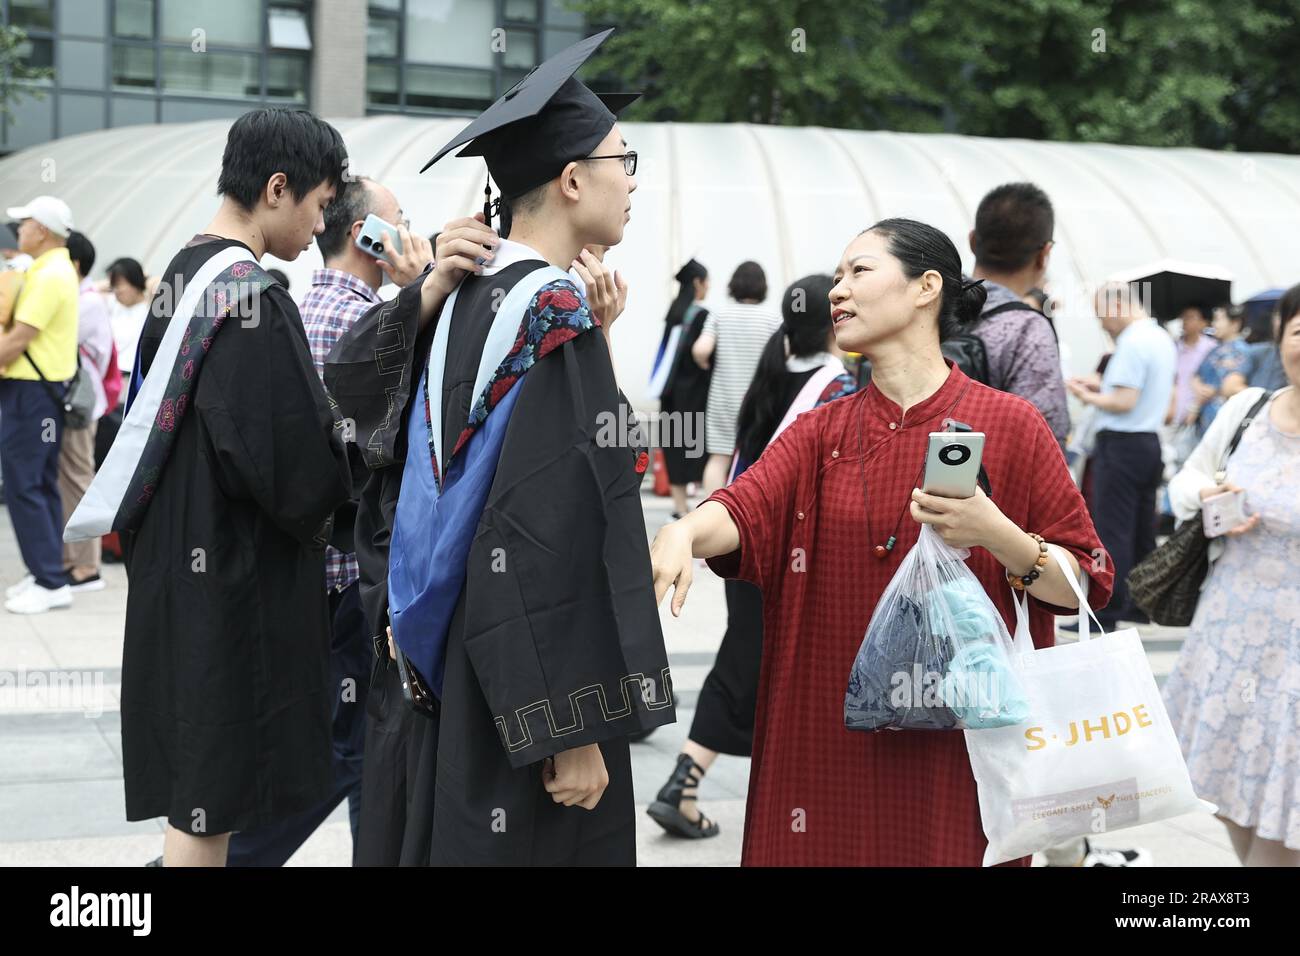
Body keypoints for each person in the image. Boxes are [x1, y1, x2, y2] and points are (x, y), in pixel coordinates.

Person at [650, 220, 1111, 866]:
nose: (837, 291)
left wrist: (997, 534)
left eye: (858, 272)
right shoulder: (819, 432)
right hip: (826, 746)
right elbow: (744, 508)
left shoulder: (1012, 426)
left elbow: (1081, 580)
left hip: (957, 759)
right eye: (836, 276)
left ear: (927, 287)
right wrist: (683, 530)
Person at [325, 29, 674, 866]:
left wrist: (429, 289)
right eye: (625, 161)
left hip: (444, 655)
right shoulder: (551, 311)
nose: (632, 183)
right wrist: (573, 726)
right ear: (572, 178)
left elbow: (353, 401)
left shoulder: (464, 295)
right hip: (520, 691)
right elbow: (555, 522)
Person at [64, 108, 353, 867]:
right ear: (277, 187)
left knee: (201, 796)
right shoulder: (254, 296)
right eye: (321, 206)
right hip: (233, 582)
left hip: (180, 562)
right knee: (210, 807)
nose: (322, 226)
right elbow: (296, 474)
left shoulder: (185, 274)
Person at [224, 177, 433, 867]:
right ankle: (220, 857)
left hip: (309, 574)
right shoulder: (367, 324)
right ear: (368, 236)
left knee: (361, 747)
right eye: (399, 222)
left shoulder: (308, 308)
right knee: (351, 751)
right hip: (352, 581)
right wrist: (424, 289)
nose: (410, 231)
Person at [648, 273, 856, 840]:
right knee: (764, 666)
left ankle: (688, 783)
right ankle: (686, 783)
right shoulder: (836, 388)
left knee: (748, 659)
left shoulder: (774, 375)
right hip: (792, 554)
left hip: (743, 543)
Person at [1162, 282, 1300, 866]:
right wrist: (1209, 492)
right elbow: (1184, 482)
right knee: (1226, 797)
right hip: (1227, 634)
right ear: (1279, 336)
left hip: (1292, 657)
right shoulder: (1247, 410)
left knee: (1280, 816)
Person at [1066, 283, 1176, 629]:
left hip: (1122, 443)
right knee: (1142, 530)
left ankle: (1105, 610)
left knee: (1111, 530)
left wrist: (1085, 395)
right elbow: (1139, 394)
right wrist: (1100, 388)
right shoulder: (1159, 337)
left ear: (1117, 306)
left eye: (1102, 316)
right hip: (1148, 442)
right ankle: (1140, 605)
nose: (1102, 325)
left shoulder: (1131, 342)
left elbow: (1123, 402)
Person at [0, 195, 80, 614]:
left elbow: (16, 340)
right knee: (40, 485)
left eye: (24, 222)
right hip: (41, 393)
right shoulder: (54, 270)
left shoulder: (49, 276)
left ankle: (50, 581)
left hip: (30, 392)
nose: (19, 230)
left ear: (43, 230)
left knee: (25, 486)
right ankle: (48, 573)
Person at [967, 183, 1069, 445]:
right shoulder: (1027, 328)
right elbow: (1047, 433)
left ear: (973, 241)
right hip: (979, 481)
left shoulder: (928, 302)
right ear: (1044, 254)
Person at [694, 261, 782, 494]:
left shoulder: (720, 314)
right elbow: (785, 356)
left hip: (723, 398)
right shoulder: (772, 318)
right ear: (763, 286)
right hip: (759, 400)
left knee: (719, 458)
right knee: (758, 458)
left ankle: (709, 513)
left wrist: (705, 364)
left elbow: (701, 349)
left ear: (734, 285)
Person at [59, 231, 116, 592]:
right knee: (68, 480)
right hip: (73, 403)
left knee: (79, 480)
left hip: (80, 405)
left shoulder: (87, 302)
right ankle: (73, 559)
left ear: (75, 264)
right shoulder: (82, 297)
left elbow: (62, 338)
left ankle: (87, 566)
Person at [652, 258, 711, 517]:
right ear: (698, 283)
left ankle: (679, 509)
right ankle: (701, 508)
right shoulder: (702, 316)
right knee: (698, 449)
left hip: (671, 394)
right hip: (697, 394)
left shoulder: (674, 312)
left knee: (676, 446)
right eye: (707, 282)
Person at [95, 257, 152, 469]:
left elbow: (159, 287)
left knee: (123, 434)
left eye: (121, 284)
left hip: (131, 380)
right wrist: (111, 285)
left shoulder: (150, 308)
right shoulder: (112, 305)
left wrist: (146, 280)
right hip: (110, 380)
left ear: (135, 282)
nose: (116, 290)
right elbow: (88, 288)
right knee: (104, 436)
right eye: (113, 285)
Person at [1191, 304, 1251, 434]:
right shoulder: (1214, 349)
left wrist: (1214, 391)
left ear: (1235, 324)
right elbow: (1196, 374)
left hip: (1225, 419)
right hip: (1204, 417)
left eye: (1219, 319)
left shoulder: (1243, 350)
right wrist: (1198, 386)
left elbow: (1234, 386)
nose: (1214, 324)